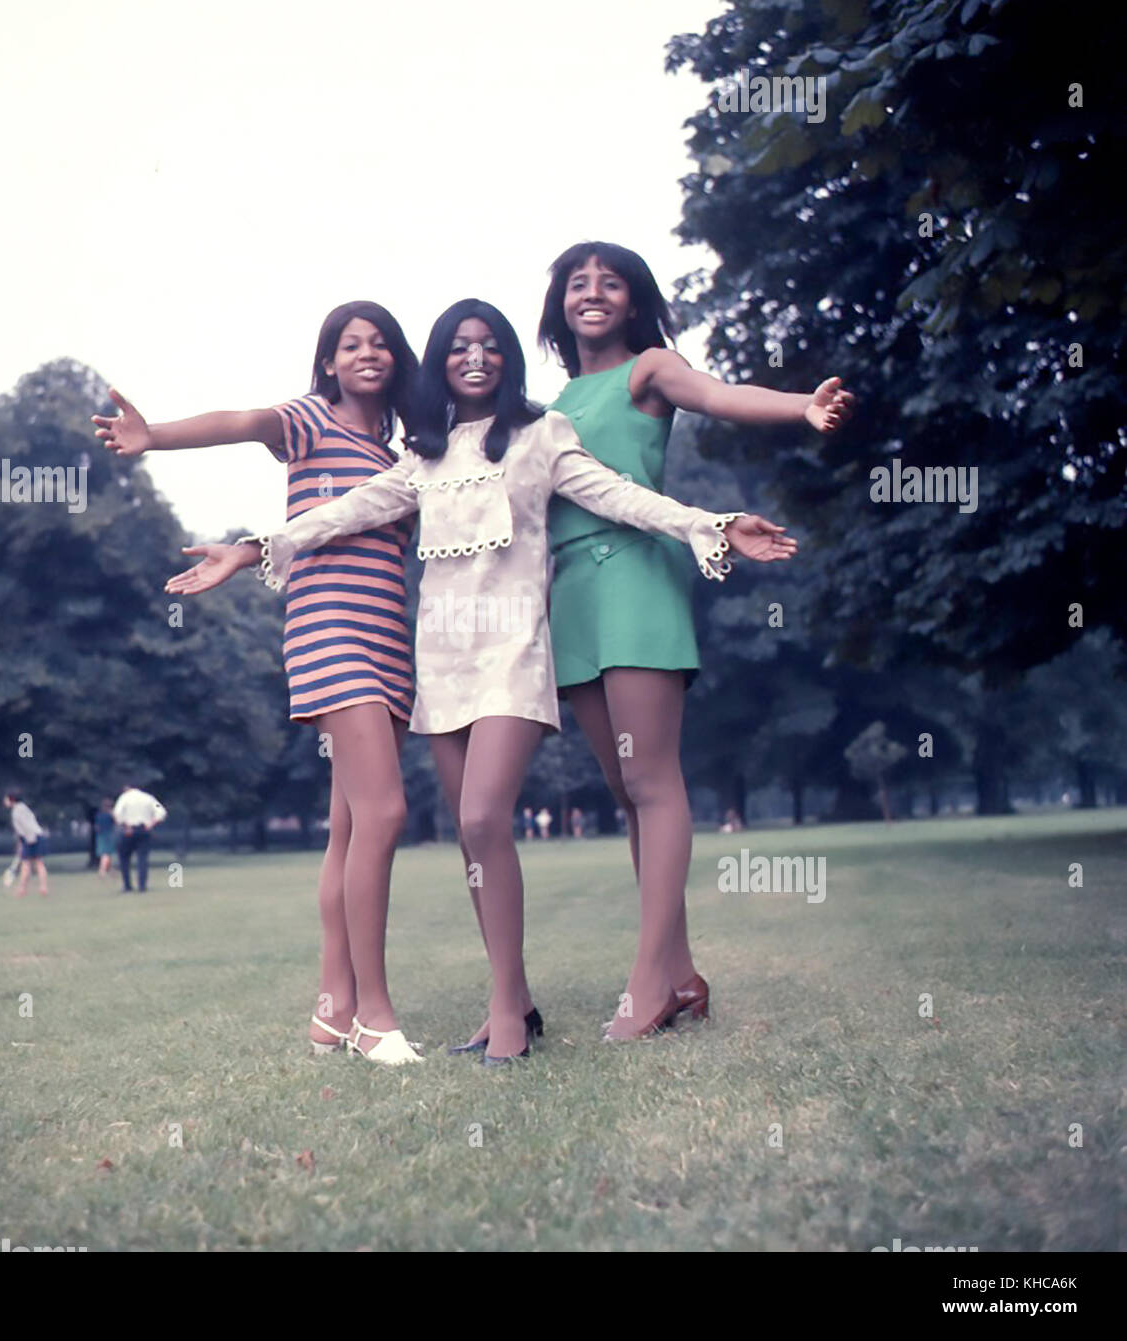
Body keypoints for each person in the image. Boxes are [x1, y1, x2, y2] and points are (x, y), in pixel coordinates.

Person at [167, 298, 796, 1057]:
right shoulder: (423, 458)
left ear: (507, 358)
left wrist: (712, 523)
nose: (476, 356)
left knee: (480, 818)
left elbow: (618, 495)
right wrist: (251, 548)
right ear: (440, 362)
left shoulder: (541, 435)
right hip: (440, 662)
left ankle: (505, 1009)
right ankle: (517, 999)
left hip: (513, 654)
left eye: (490, 344)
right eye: (460, 345)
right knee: (469, 836)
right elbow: (342, 512)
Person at [538, 242, 853, 1037]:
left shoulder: (649, 368)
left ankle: (648, 983)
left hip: (635, 578)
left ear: (636, 300)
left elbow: (719, 394)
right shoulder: (550, 404)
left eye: (610, 282)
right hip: (568, 595)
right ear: (559, 304)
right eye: (578, 284)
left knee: (652, 781)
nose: (593, 293)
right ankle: (680, 973)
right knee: (625, 794)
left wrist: (800, 406)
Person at [97, 303, 425, 1064]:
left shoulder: (405, 450)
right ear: (329, 362)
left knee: (349, 830)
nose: (367, 354)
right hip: (328, 629)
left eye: (380, 343)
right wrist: (155, 438)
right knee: (383, 814)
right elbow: (239, 419)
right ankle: (373, 1012)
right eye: (351, 344)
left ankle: (330, 1011)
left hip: (388, 639)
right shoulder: (309, 420)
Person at [112, 784, 167, 893]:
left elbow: (117, 813)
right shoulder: (148, 798)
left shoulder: (124, 798)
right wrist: (151, 823)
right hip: (144, 830)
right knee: (142, 858)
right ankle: (142, 886)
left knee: (124, 859)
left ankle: (127, 885)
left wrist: (125, 826)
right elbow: (161, 812)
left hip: (129, 830)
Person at [2, 790, 48, 897]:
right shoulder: (23, 807)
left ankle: (23, 889)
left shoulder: (16, 811)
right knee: (37, 863)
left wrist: (25, 843)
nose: (4, 801)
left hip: (31, 838)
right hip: (36, 836)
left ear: (11, 799)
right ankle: (40, 888)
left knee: (27, 864)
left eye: (6, 799)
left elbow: (25, 829)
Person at [94, 798, 116, 877]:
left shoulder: (98, 815)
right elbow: (116, 821)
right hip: (108, 835)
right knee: (106, 854)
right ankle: (102, 870)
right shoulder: (110, 815)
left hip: (100, 836)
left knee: (106, 853)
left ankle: (111, 870)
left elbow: (96, 827)